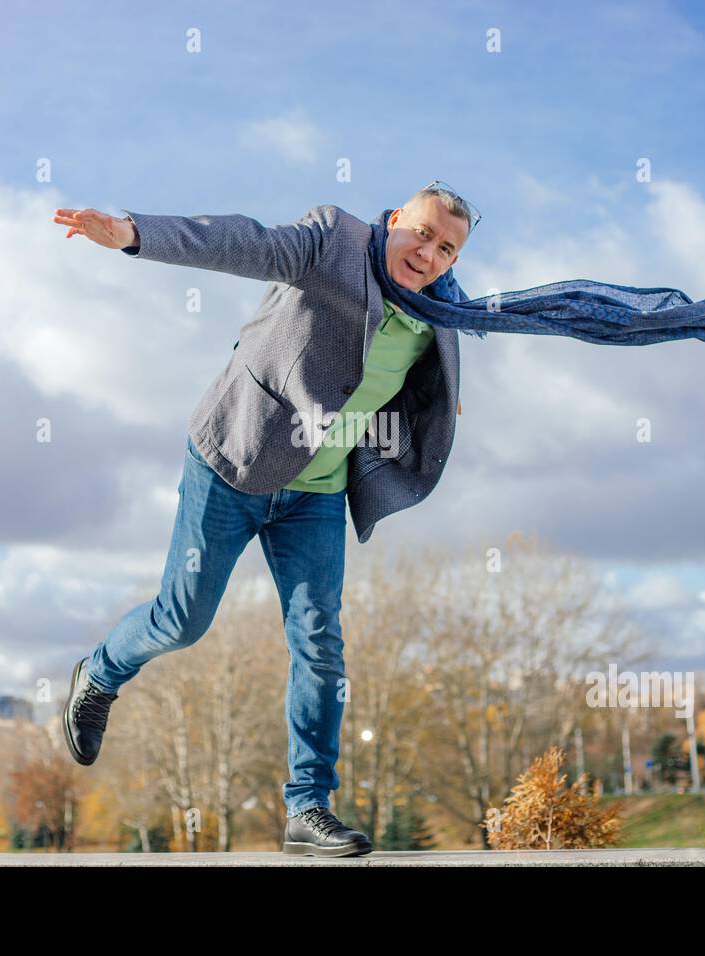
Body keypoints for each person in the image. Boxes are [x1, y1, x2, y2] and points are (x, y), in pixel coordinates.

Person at [52, 183, 476, 856]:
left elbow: (425, 386)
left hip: (317, 495)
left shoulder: (442, 315)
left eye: (446, 248)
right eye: (420, 234)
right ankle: (100, 674)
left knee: (320, 644)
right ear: (394, 220)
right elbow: (240, 241)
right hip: (235, 460)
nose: (427, 254)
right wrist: (134, 232)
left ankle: (307, 808)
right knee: (182, 619)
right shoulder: (331, 241)